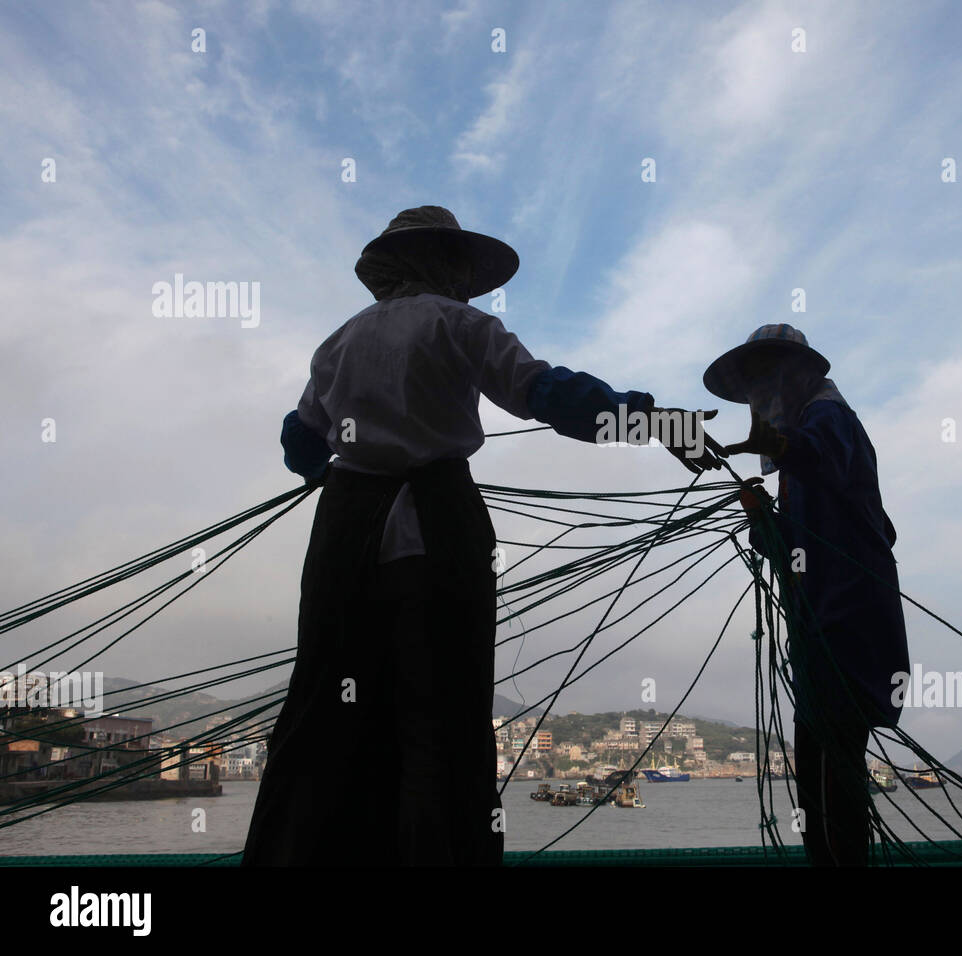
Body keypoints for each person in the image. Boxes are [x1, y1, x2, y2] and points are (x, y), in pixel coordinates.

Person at [242, 205, 719, 866]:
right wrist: (656, 424)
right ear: (444, 262)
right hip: (438, 524)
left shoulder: (339, 342)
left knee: (324, 705)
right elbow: (549, 396)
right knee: (442, 711)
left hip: (343, 537)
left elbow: (301, 443)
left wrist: (336, 466)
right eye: (460, 266)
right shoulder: (461, 324)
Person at [705, 324, 909, 866]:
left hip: (848, 627)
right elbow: (791, 544)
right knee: (822, 779)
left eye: (765, 382)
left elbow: (818, 454)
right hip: (821, 630)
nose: (759, 399)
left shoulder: (828, 419)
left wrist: (777, 446)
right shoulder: (800, 454)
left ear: (797, 375)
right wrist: (760, 515)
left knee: (830, 785)